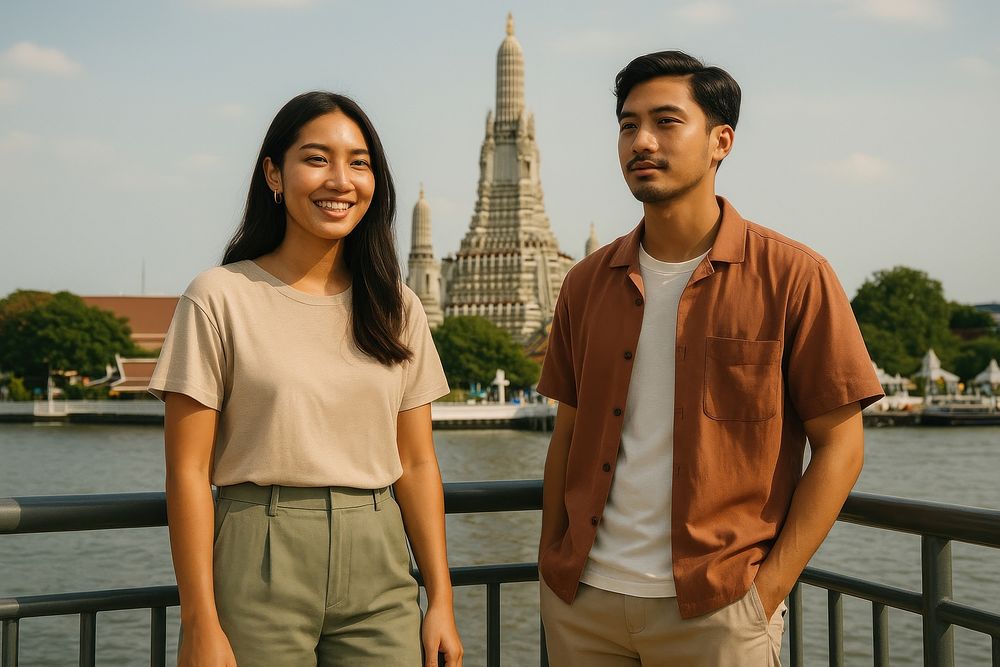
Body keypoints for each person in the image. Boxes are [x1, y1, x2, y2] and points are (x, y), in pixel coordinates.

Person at [536, 51, 884, 666]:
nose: (642, 141)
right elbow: (568, 432)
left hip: (717, 609)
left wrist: (764, 595)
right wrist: (551, 561)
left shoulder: (793, 276)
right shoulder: (586, 283)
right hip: (585, 603)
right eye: (627, 125)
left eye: (666, 121)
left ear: (721, 141)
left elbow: (841, 447)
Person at [148, 91, 463, 667]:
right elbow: (187, 471)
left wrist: (441, 599)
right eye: (317, 159)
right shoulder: (218, 297)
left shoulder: (397, 307)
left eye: (359, 163)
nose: (340, 180)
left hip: (380, 558)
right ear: (274, 173)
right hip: (259, 553)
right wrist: (199, 622)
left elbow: (417, 464)